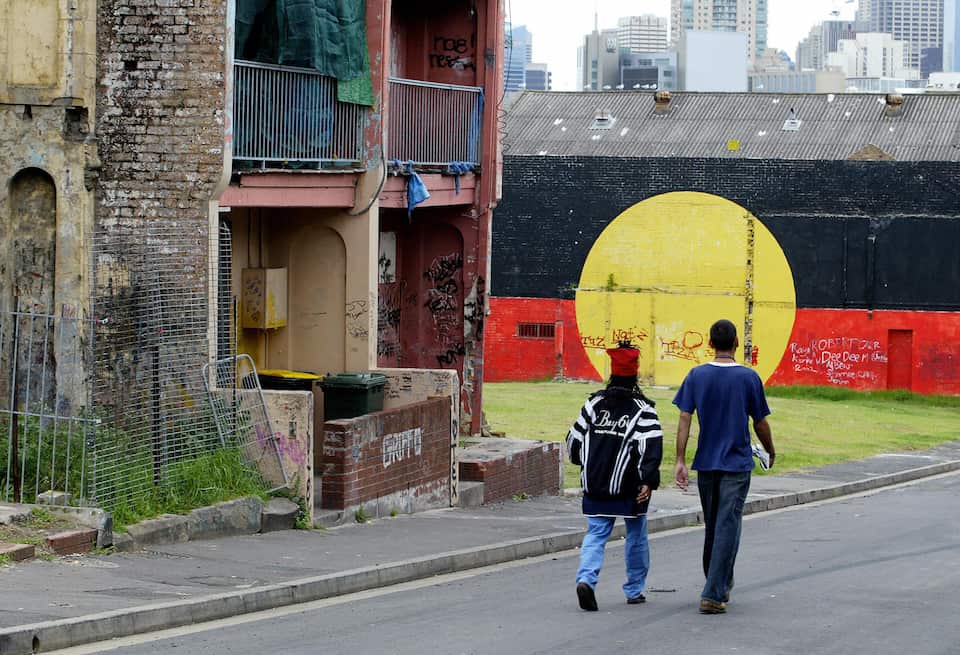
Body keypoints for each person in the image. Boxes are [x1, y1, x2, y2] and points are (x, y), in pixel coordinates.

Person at [673, 319, 777, 615]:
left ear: (709, 343)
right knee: (728, 525)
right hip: (736, 461)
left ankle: (719, 583)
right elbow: (759, 422)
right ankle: (713, 592)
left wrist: (680, 459)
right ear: (735, 344)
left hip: (706, 462)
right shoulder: (748, 378)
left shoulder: (696, 375)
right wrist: (770, 450)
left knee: (714, 526)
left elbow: (684, 418)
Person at [566, 342, 663, 612]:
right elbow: (650, 447)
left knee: (596, 533)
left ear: (612, 371)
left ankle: (586, 579)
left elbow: (574, 442)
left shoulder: (594, 403)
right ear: (635, 373)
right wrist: (647, 480)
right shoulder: (643, 410)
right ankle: (634, 590)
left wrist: (583, 463)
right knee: (636, 535)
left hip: (596, 484)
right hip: (630, 487)